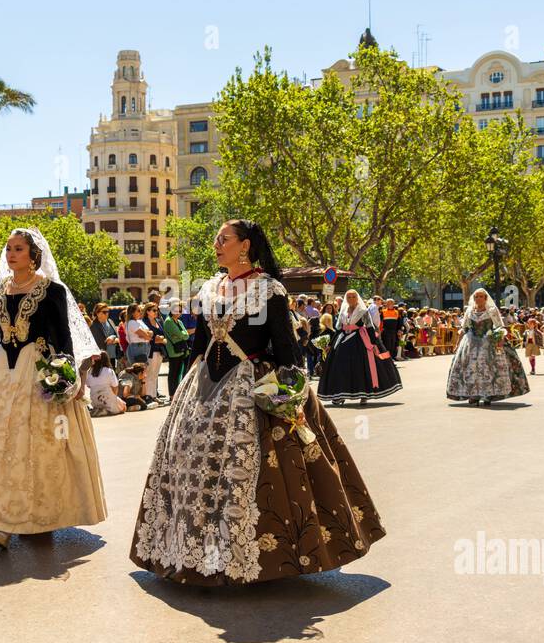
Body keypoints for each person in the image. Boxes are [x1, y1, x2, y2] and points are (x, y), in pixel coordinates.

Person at [131, 219, 385, 586]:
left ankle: (257, 555)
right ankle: (188, 552)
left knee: (252, 470)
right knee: (189, 464)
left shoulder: (270, 291)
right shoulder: (209, 288)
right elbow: (200, 344)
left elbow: (286, 349)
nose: (217, 245)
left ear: (245, 245)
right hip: (204, 387)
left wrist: (289, 394)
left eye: (224, 240)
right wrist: (187, 382)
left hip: (251, 385)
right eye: (216, 240)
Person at [0, 227, 108, 549]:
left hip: (38, 372)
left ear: (33, 256)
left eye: (18, 248)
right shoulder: (0, 291)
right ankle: (2, 516)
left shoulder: (52, 291)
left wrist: (66, 374)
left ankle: (41, 512)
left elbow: (63, 338)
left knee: (36, 446)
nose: (11, 253)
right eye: (8, 248)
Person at [446, 288, 531, 406]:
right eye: (476, 297)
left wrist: (500, 339)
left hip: (488, 341)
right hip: (471, 342)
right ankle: (473, 394)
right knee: (470, 368)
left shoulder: (492, 310)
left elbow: (499, 326)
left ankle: (487, 395)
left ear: (485, 298)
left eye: (481, 296)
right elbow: (464, 328)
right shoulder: (470, 311)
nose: (478, 299)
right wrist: (457, 344)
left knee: (488, 368)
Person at [317, 289, 402, 405]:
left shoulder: (363, 311)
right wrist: (331, 344)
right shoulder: (343, 311)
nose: (351, 299)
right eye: (349, 297)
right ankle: (340, 394)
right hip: (343, 339)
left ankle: (364, 394)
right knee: (339, 366)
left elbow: (369, 327)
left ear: (357, 298)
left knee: (361, 367)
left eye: (353, 297)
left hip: (360, 341)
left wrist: (373, 343)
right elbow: (339, 329)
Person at [85, 351, 129, 416]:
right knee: (124, 407)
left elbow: (88, 385)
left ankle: (100, 409)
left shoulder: (90, 372)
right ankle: (106, 411)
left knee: (118, 403)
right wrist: (115, 398)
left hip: (94, 398)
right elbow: (115, 387)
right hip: (108, 397)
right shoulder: (109, 371)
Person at [162, 299, 191, 396]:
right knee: (173, 373)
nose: (178, 312)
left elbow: (186, 335)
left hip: (181, 350)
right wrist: (181, 334)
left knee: (179, 373)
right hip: (173, 351)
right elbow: (182, 334)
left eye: (180, 310)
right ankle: (172, 394)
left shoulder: (179, 321)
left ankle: (177, 393)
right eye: (176, 310)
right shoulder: (169, 321)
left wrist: (181, 334)